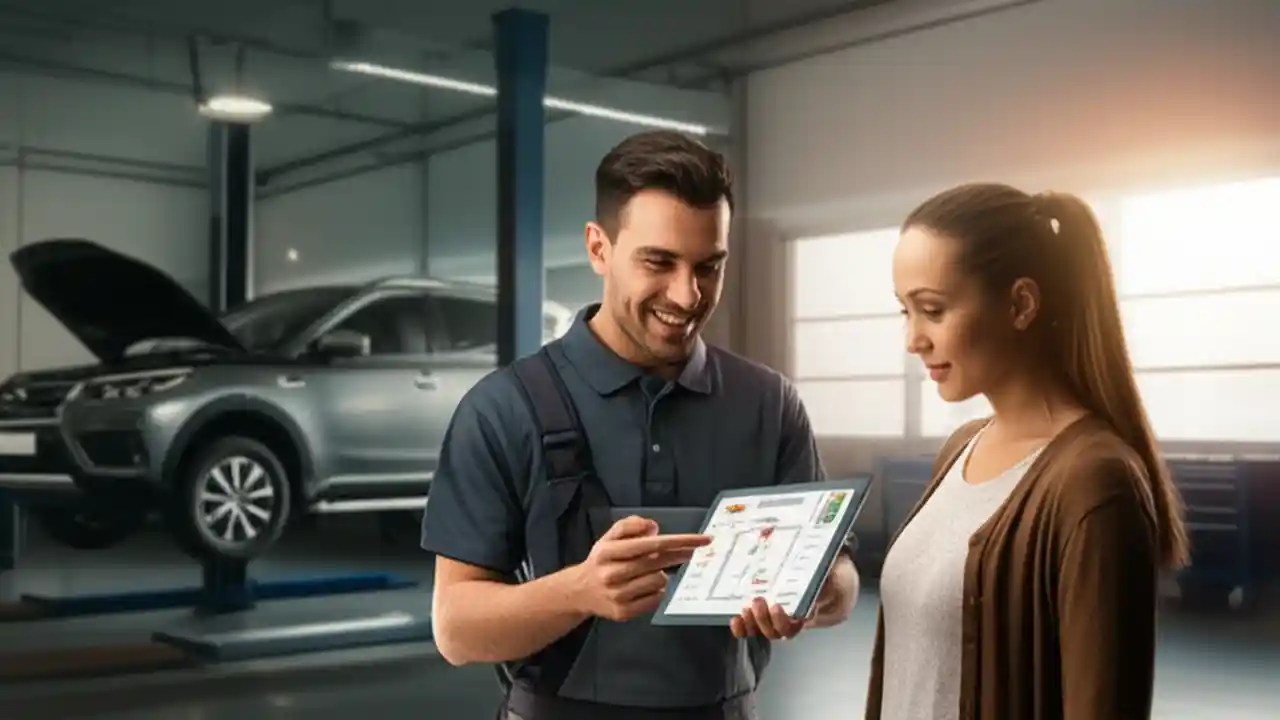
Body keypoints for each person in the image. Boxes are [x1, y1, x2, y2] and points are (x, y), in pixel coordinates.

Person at [421, 130, 861, 720]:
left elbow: (842, 576)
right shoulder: (502, 409)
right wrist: (579, 591)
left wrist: (819, 594)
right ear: (598, 249)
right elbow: (456, 630)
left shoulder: (768, 403)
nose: (687, 294)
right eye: (659, 262)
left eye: (709, 266)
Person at [867, 182, 1190, 720]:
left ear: (1021, 304)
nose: (913, 339)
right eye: (906, 311)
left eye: (933, 310)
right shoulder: (960, 448)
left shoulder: (1094, 482)